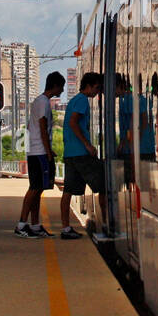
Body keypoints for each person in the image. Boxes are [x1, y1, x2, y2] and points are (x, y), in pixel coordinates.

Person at [17, 71, 65, 238]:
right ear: (55, 85)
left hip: (37, 150)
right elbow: (43, 128)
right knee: (35, 188)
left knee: (38, 189)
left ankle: (35, 225)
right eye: (62, 86)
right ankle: (22, 224)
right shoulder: (43, 102)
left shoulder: (39, 101)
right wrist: (48, 152)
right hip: (39, 151)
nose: (63, 90)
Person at [60, 72, 104, 240]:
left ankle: (65, 228)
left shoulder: (74, 100)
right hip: (80, 153)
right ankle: (106, 224)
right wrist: (87, 144)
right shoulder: (82, 101)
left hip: (70, 153)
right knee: (104, 183)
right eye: (97, 88)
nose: (97, 92)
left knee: (68, 191)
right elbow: (73, 122)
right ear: (90, 85)